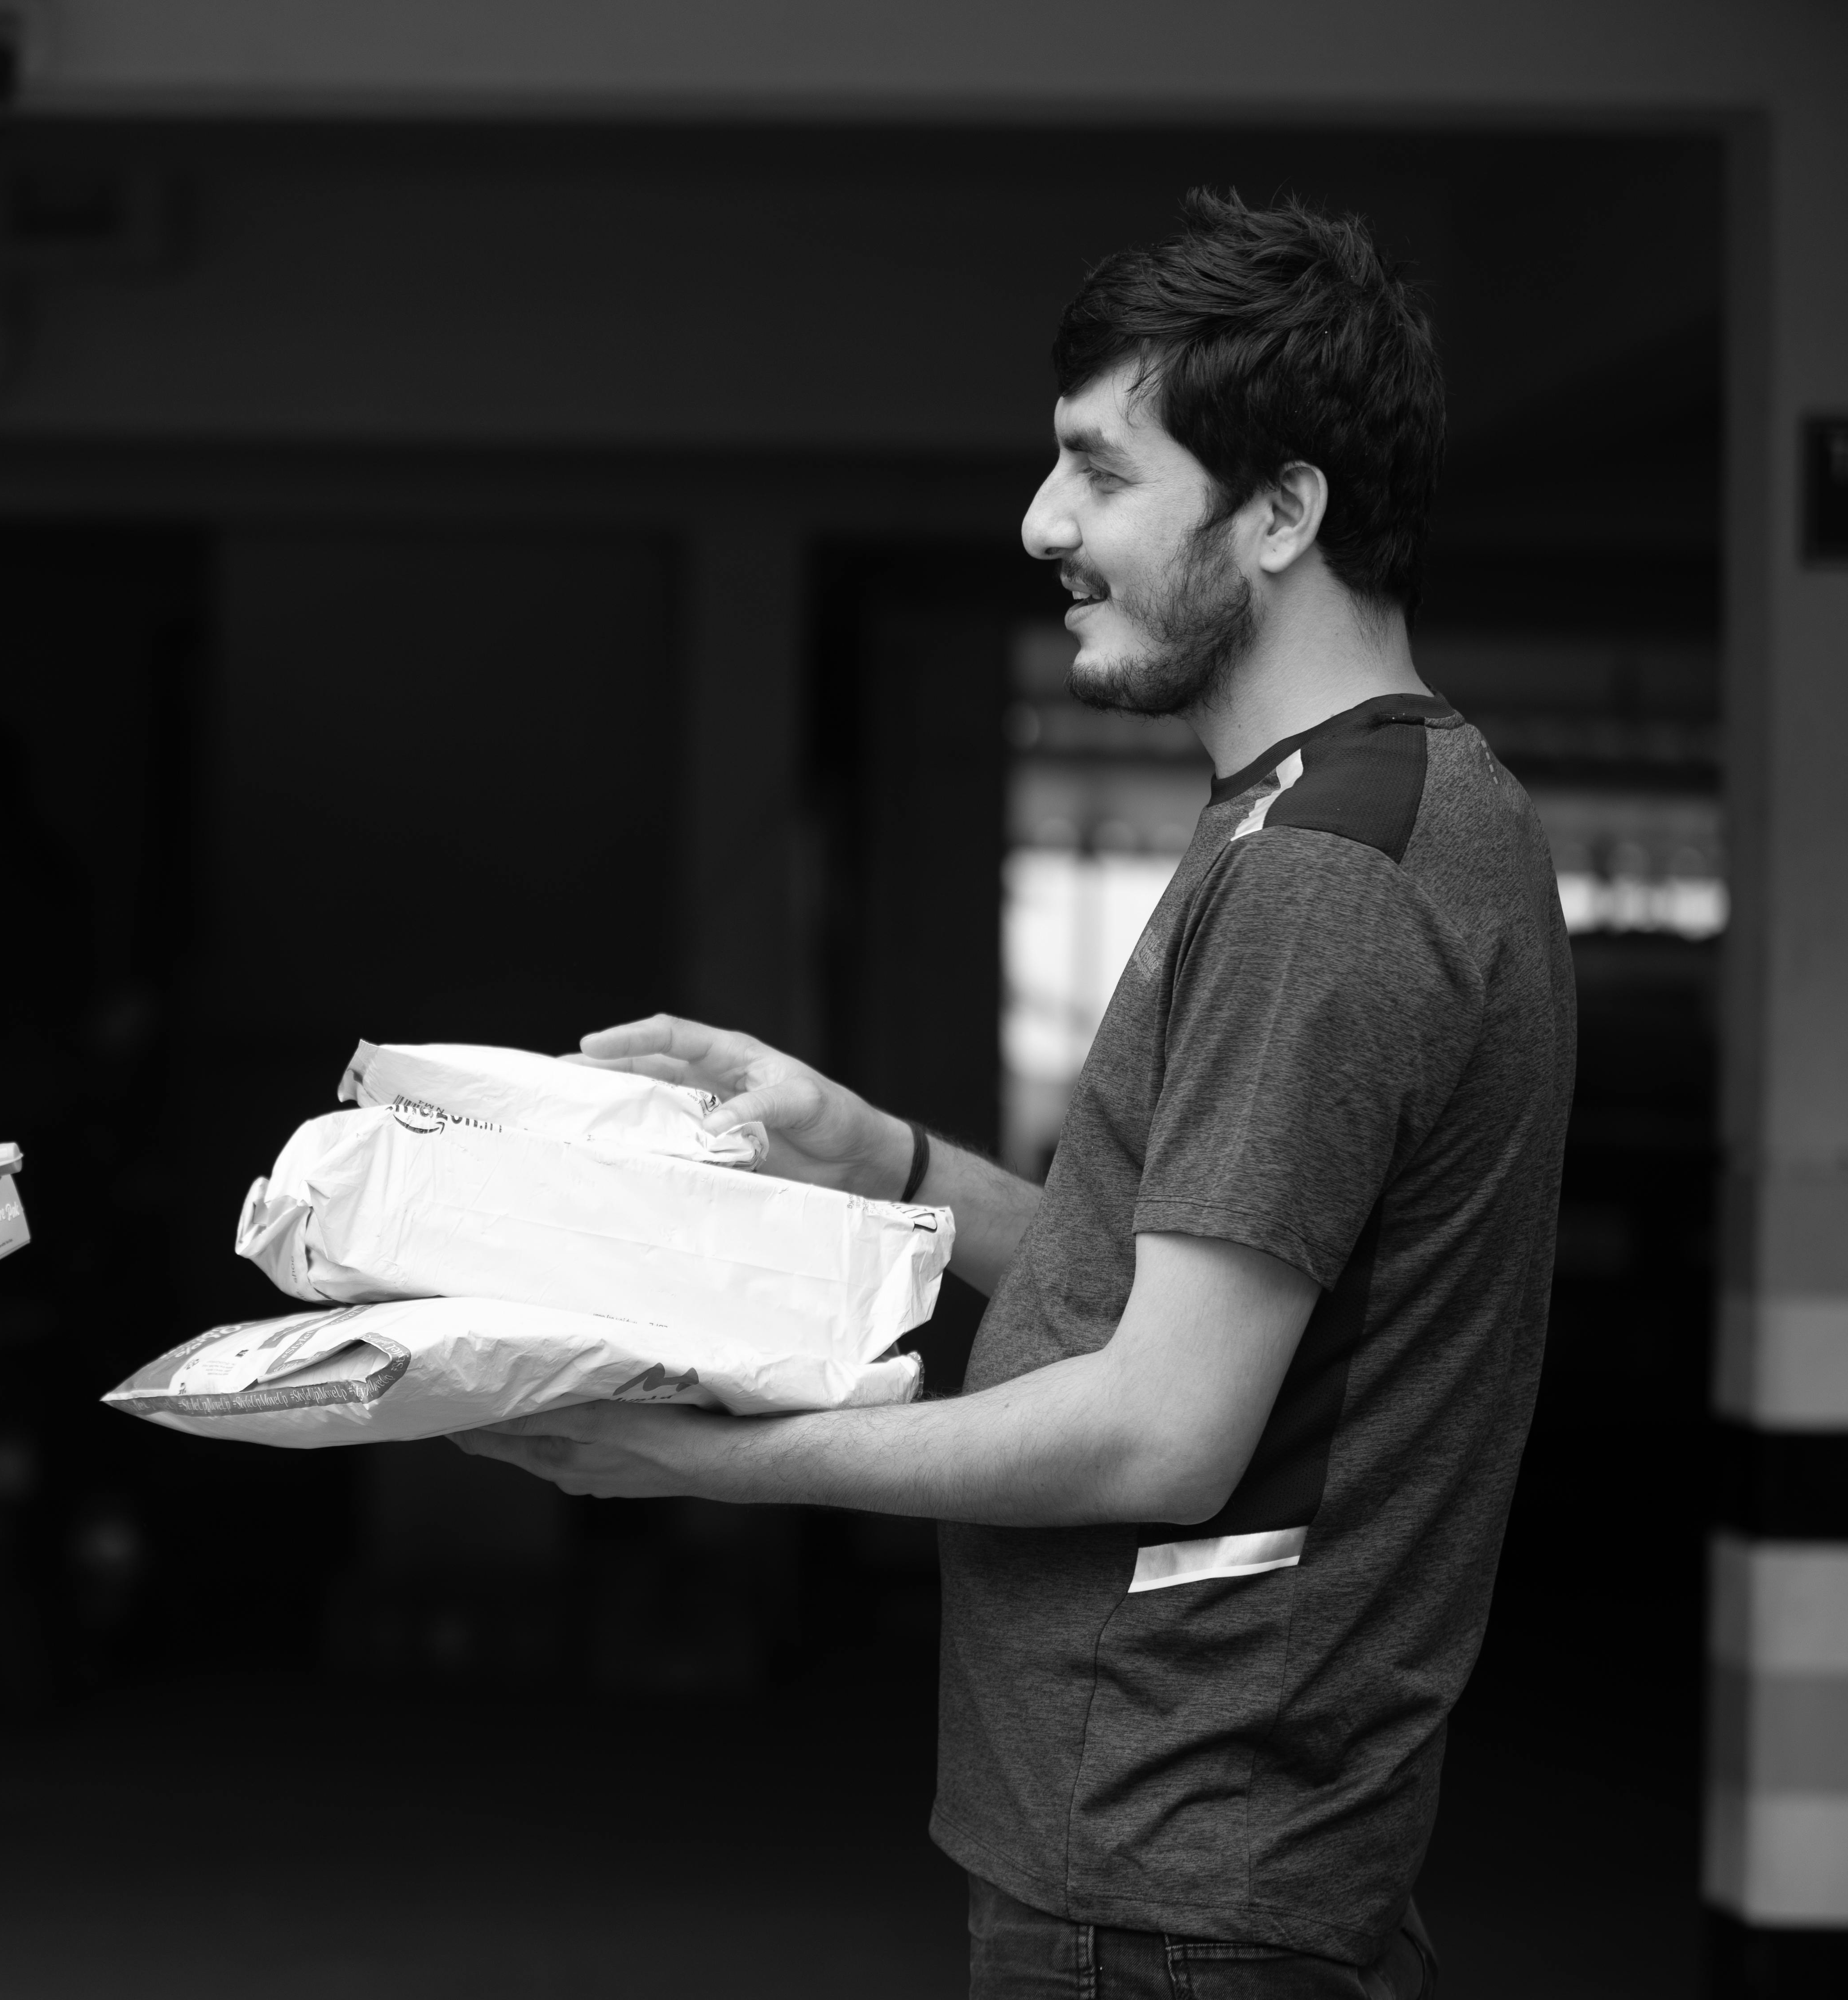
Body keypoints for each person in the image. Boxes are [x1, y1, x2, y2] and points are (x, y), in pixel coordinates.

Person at [460, 190, 1570, 1996]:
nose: (1043, 524)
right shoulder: (1403, 806)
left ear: (1282, 509)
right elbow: (1201, 1293)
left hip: (1169, 1877)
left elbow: (1160, 1425)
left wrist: (707, 1461)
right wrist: (873, 1154)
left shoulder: (1321, 876)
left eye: (1101, 472)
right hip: (1212, 1866)